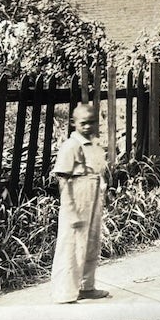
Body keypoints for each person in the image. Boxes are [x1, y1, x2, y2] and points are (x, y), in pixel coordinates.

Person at [51, 102, 110, 303]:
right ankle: (65, 292)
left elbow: (98, 171)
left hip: (93, 195)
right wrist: (71, 210)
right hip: (77, 195)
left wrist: (102, 187)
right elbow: (63, 181)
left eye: (92, 122)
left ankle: (86, 287)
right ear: (73, 122)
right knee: (72, 245)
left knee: (92, 242)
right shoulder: (71, 146)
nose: (88, 127)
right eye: (83, 123)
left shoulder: (94, 145)